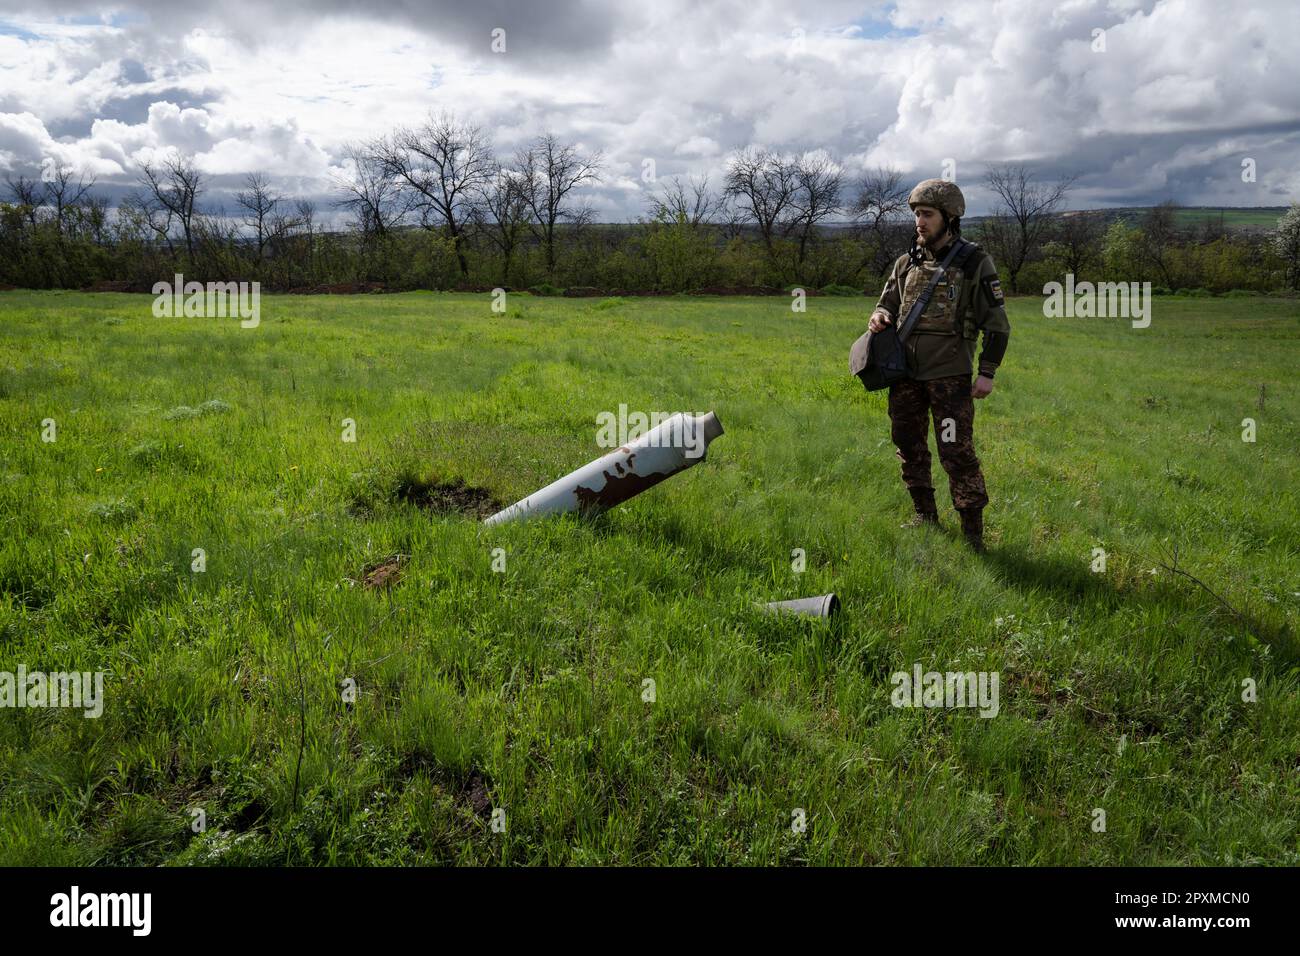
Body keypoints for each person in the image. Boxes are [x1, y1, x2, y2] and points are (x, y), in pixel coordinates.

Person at [865, 179, 1010, 552]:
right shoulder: (907, 260)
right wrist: (880, 317)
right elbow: (887, 303)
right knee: (908, 444)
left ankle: (973, 535)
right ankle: (925, 516)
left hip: (949, 378)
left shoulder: (975, 262)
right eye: (916, 214)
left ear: (949, 217)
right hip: (905, 376)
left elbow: (997, 323)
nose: (919, 221)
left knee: (956, 452)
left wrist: (987, 372)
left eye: (926, 214)